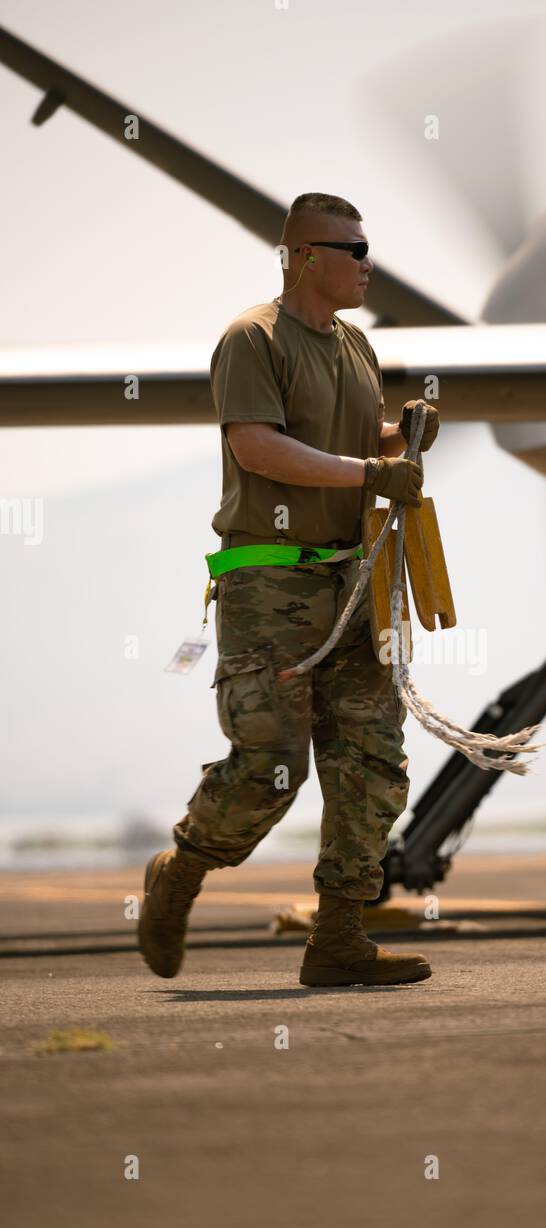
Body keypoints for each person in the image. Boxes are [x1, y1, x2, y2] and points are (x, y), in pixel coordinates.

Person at [137, 191, 439, 987]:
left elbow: (339, 444)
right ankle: (182, 871)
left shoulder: (356, 347)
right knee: (272, 763)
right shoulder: (252, 339)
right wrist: (375, 469)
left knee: (371, 760)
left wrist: (397, 437)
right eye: (355, 249)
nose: (369, 264)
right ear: (307, 256)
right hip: (269, 581)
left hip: (350, 576)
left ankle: (338, 940)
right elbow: (260, 448)